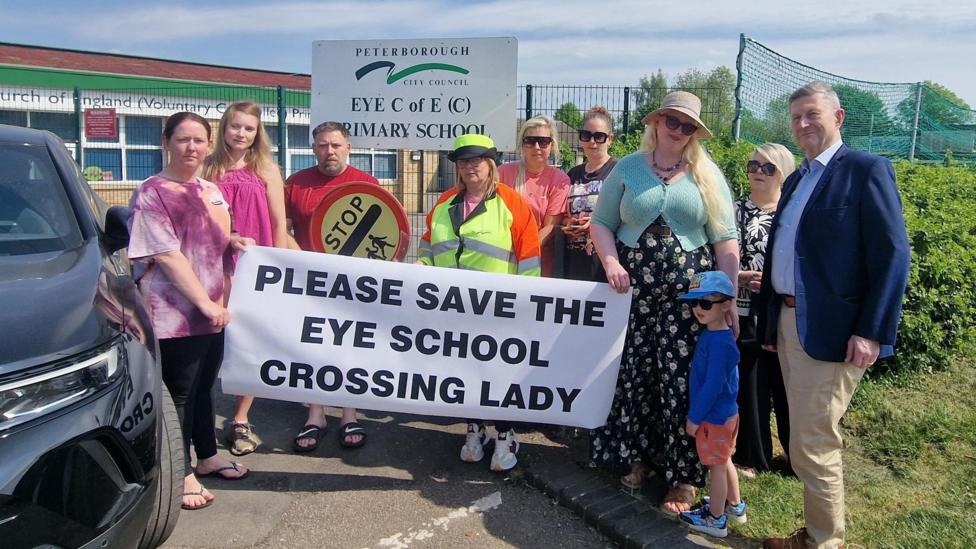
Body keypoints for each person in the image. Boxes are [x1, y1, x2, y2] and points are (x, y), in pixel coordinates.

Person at [756, 81, 910, 549]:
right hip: (790, 323)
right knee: (804, 437)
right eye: (796, 117)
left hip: (832, 330)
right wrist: (772, 323)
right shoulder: (798, 178)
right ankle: (816, 533)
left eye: (812, 115)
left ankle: (823, 542)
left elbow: (892, 253)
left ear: (838, 118)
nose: (802, 124)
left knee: (814, 440)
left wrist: (871, 331)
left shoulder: (865, 170)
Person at [589, 91, 739, 514]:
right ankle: (636, 457)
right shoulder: (628, 168)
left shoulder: (706, 173)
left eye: (687, 126)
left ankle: (682, 476)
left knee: (680, 378)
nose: (677, 130)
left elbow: (725, 239)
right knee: (634, 372)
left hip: (689, 298)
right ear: (656, 122)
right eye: (671, 121)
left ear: (694, 133)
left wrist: (727, 296)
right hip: (632, 291)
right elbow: (601, 223)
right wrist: (611, 262)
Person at [127, 112, 253, 511]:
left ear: (209, 145)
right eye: (183, 139)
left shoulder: (210, 190)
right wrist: (204, 304)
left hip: (215, 309)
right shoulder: (152, 192)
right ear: (166, 142)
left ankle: (208, 456)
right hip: (175, 313)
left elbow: (211, 240)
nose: (192, 147)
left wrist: (234, 241)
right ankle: (179, 473)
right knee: (179, 393)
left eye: (199, 140)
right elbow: (167, 254)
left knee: (204, 387)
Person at [417, 134, 541, 472]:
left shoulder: (512, 204)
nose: (470, 166)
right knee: (466, 374)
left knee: (498, 375)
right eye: (463, 161)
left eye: (477, 160)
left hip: (499, 312)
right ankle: (475, 428)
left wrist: (526, 306)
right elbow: (428, 246)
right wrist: (421, 267)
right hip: (453, 309)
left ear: (491, 164)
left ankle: (505, 434)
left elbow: (530, 258)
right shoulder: (444, 204)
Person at [203, 101, 296, 457]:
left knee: (249, 340)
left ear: (258, 133)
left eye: (249, 128)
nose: (241, 133)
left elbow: (278, 223)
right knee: (214, 337)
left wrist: (279, 266)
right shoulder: (208, 167)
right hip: (214, 262)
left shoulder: (267, 169)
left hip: (255, 266)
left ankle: (241, 418)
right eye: (235, 126)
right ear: (224, 128)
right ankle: (198, 415)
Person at [284, 121, 377, 452]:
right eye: (323, 145)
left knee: (350, 347)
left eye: (336, 145)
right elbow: (283, 230)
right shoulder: (296, 184)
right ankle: (316, 414)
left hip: (353, 285)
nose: (330, 151)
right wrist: (306, 266)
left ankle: (349, 414)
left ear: (348, 148)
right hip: (308, 281)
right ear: (313, 149)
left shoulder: (366, 184)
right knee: (312, 347)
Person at [732, 143, 795, 477]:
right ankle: (753, 455)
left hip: (783, 308)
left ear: (782, 173)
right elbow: (719, 254)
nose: (758, 172)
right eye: (753, 165)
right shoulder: (734, 210)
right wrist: (740, 277)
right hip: (745, 307)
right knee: (752, 380)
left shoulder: (792, 213)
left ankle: (798, 456)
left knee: (788, 384)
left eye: (768, 167)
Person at [676, 271, 746, 539]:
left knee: (716, 465)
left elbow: (713, 385)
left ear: (726, 304)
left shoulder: (720, 344)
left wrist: (695, 417)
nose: (698, 309)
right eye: (695, 303)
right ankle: (734, 505)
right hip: (724, 414)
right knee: (724, 459)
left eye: (706, 303)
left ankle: (716, 518)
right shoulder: (716, 335)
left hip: (714, 417)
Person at [498, 116, 569, 277]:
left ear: (551, 145)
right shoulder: (502, 173)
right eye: (530, 141)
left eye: (543, 141)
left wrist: (523, 253)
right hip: (503, 260)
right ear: (522, 145)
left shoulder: (560, 180)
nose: (537, 147)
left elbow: (549, 228)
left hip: (537, 264)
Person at [563, 106, 618, 282]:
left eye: (599, 136)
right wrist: (569, 223)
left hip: (606, 262)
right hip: (574, 261)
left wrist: (596, 222)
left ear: (610, 139)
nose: (592, 142)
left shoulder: (618, 170)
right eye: (586, 135)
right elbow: (563, 214)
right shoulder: (573, 173)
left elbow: (627, 213)